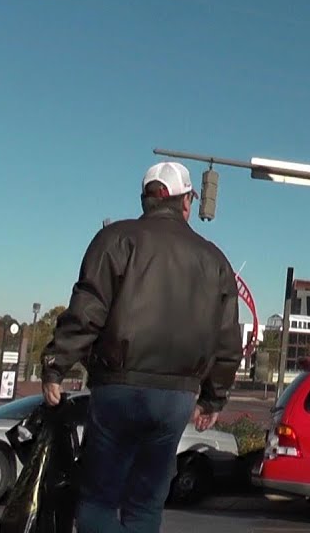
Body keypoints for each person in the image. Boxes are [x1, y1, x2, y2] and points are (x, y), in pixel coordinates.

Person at [40, 161, 242, 533]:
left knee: (99, 500)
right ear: (187, 202)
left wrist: (56, 364)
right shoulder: (213, 259)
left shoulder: (115, 239)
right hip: (176, 397)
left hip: (118, 386)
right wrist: (214, 398)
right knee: (146, 504)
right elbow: (227, 337)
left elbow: (88, 307)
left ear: (146, 199)